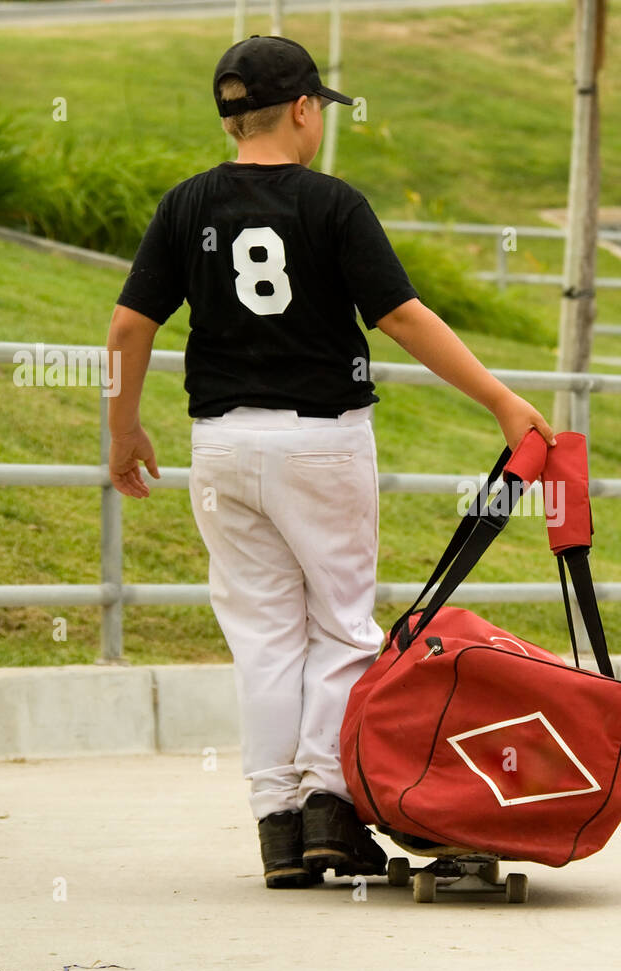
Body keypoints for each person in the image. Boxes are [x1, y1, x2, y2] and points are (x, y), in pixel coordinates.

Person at [104, 35, 554, 889]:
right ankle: (329, 811)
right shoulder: (333, 205)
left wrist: (123, 429)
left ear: (232, 119)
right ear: (305, 110)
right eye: (321, 111)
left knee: (264, 639)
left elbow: (131, 327)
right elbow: (403, 317)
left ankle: (276, 827)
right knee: (342, 627)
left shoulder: (186, 204)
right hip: (322, 441)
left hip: (223, 445)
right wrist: (500, 398)